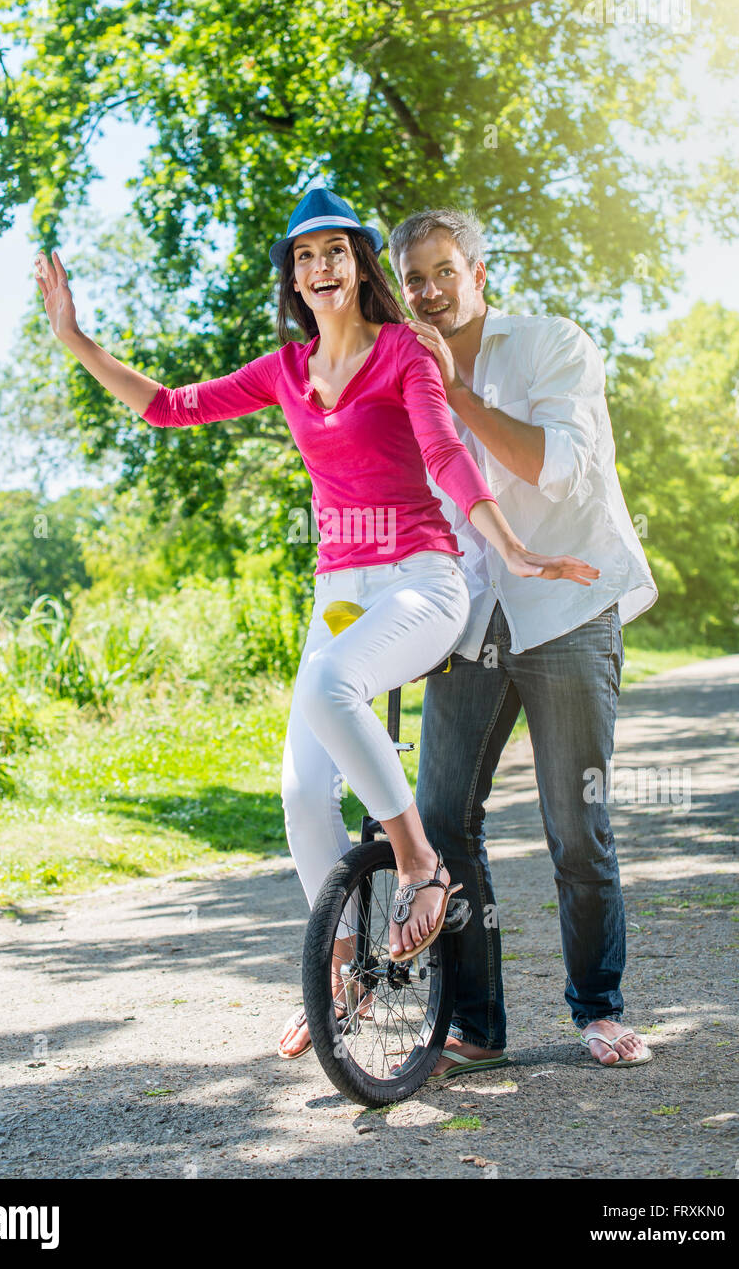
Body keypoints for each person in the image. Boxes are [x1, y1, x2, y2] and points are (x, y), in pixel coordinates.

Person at [33, 188, 599, 1063]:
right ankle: (337, 980)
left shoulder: (404, 349)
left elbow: (445, 453)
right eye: (304, 257)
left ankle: (418, 866)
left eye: (335, 252)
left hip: (421, 578)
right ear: (293, 279)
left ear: (359, 266)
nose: (320, 268)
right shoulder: (286, 371)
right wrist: (75, 340)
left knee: (331, 686)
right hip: (338, 590)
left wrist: (510, 546)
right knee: (301, 791)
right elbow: (168, 406)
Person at [387, 207, 658, 1074]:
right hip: (472, 614)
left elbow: (554, 465)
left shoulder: (551, 345)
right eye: (413, 280)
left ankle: (598, 1008)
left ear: (476, 271)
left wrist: (453, 391)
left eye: (441, 273)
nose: (428, 293)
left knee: (574, 825)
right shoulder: (403, 373)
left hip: (568, 608)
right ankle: (476, 1023)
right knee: (438, 822)